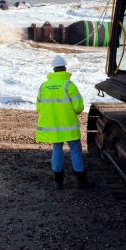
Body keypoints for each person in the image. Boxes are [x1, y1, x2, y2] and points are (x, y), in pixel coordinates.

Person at [36, 55, 88, 190]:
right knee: (75, 151)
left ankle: (58, 182)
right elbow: (78, 107)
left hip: (53, 127)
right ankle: (82, 182)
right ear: (65, 68)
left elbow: (38, 107)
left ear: (53, 69)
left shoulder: (44, 86)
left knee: (57, 150)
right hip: (69, 127)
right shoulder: (69, 85)